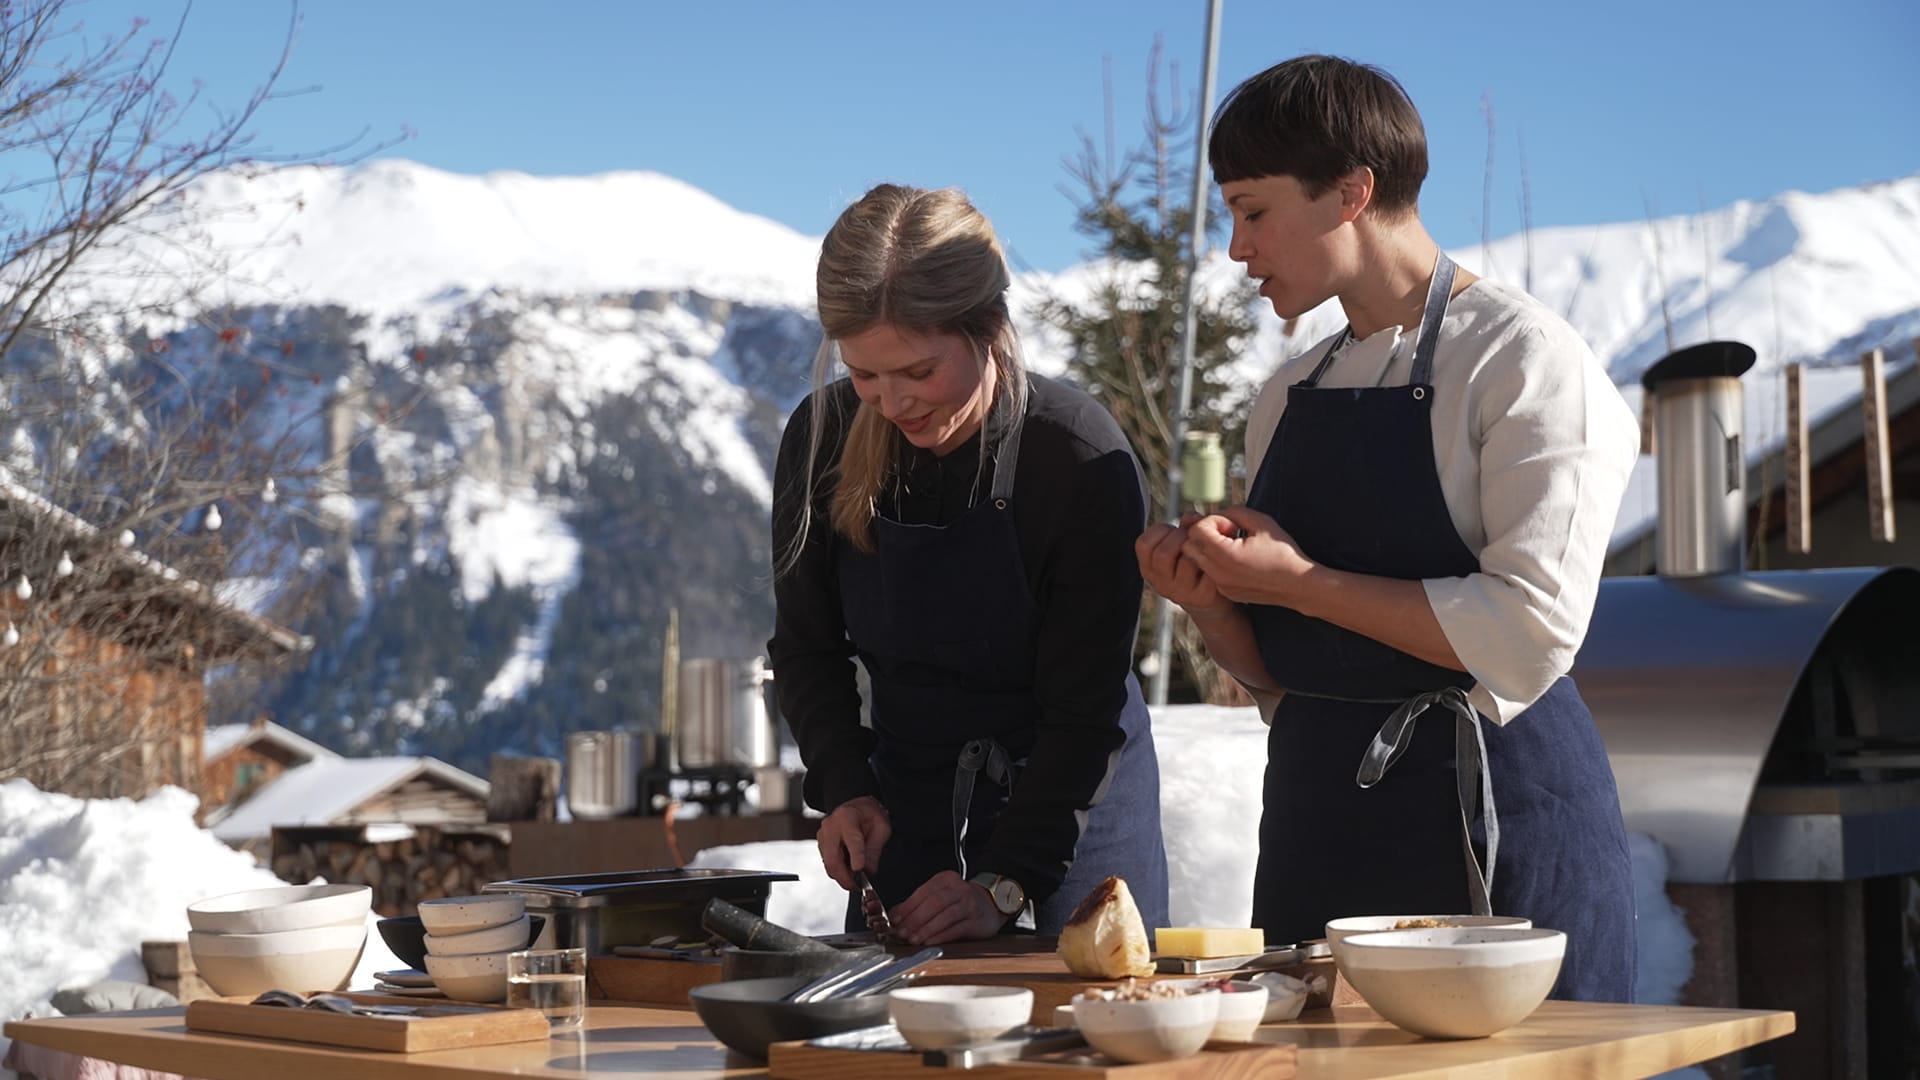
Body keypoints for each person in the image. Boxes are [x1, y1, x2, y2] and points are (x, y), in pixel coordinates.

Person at [1137, 56, 1639, 1001]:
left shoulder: (1523, 361)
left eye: (1252, 211)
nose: (1237, 248)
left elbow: (1529, 636)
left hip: (1490, 825)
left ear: (1352, 193)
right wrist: (1213, 603)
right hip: (1317, 825)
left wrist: (1293, 582)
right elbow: (1288, 673)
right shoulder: (1286, 395)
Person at [770, 183, 1170, 945]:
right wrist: (846, 789)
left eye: (919, 372)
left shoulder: (1076, 456)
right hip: (907, 809)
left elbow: (1084, 713)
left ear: (989, 329)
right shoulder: (821, 438)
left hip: (1074, 806)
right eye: (865, 374)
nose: (891, 402)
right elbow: (807, 647)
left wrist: (1007, 879)